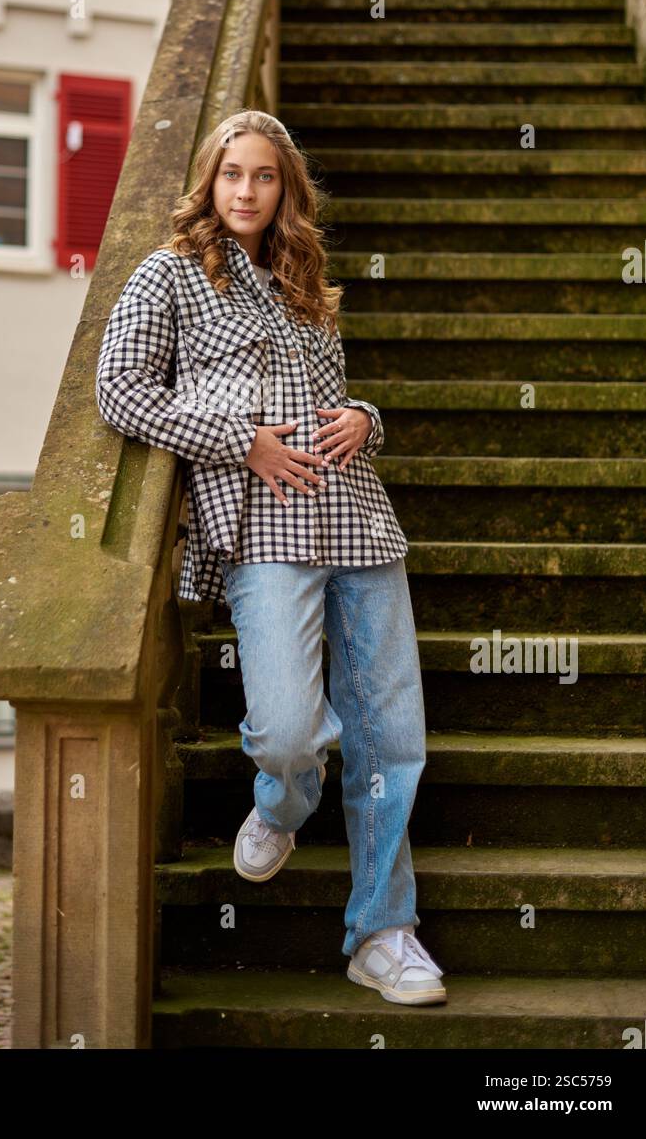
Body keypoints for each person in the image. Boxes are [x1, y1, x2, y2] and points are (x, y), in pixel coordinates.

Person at [96, 109, 446, 1006]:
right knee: (289, 732)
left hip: (358, 520)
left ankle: (382, 932)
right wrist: (238, 440)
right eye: (230, 174)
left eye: (263, 177)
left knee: (390, 737)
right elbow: (120, 392)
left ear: (285, 188)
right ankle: (283, 806)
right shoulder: (166, 276)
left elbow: (335, 399)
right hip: (262, 525)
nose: (246, 191)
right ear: (208, 181)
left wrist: (367, 417)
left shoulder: (304, 282)